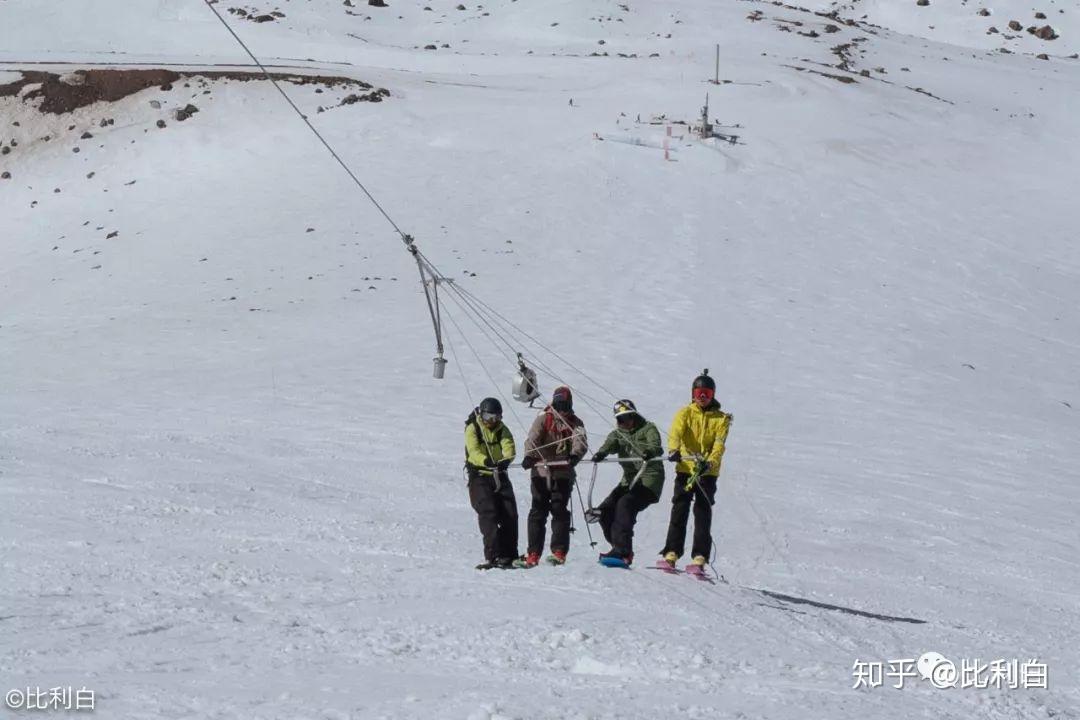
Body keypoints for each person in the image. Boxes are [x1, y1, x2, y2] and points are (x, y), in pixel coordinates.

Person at [659, 370, 732, 570]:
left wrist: (710, 461)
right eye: (699, 393)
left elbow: (719, 445)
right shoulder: (685, 413)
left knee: (702, 512)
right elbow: (676, 432)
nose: (702, 397)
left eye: (707, 394)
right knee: (680, 508)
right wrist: (674, 450)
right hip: (686, 468)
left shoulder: (721, 419)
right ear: (693, 393)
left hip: (707, 472)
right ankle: (671, 552)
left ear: (713, 395)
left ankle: (700, 556)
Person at [589, 399, 665, 566]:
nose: (625, 422)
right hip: (630, 481)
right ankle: (618, 547)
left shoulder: (648, 429)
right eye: (620, 419)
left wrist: (649, 452)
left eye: (628, 417)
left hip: (649, 481)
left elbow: (656, 446)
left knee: (625, 504)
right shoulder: (619, 434)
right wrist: (602, 453)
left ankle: (622, 551)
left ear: (634, 415)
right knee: (604, 510)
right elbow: (610, 443)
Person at [521, 386, 588, 567]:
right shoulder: (544, 418)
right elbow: (532, 439)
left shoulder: (575, 422)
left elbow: (580, 440)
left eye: (565, 405)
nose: (562, 410)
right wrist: (530, 456)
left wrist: (575, 455)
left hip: (563, 471)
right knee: (538, 510)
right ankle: (533, 553)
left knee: (559, 509)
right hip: (541, 470)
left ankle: (559, 551)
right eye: (559, 405)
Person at [464, 397, 521, 569]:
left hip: (499, 474)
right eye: (489, 417)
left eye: (496, 417)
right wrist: (485, 461)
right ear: (482, 415)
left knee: (510, 513)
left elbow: (509, 446)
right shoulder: (473, 428)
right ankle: (493, 555)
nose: (492, 421)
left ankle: (509, 555)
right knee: (488, 512)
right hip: (480, 475)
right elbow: (473, 451)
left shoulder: (502, 429)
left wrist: (506, 460)